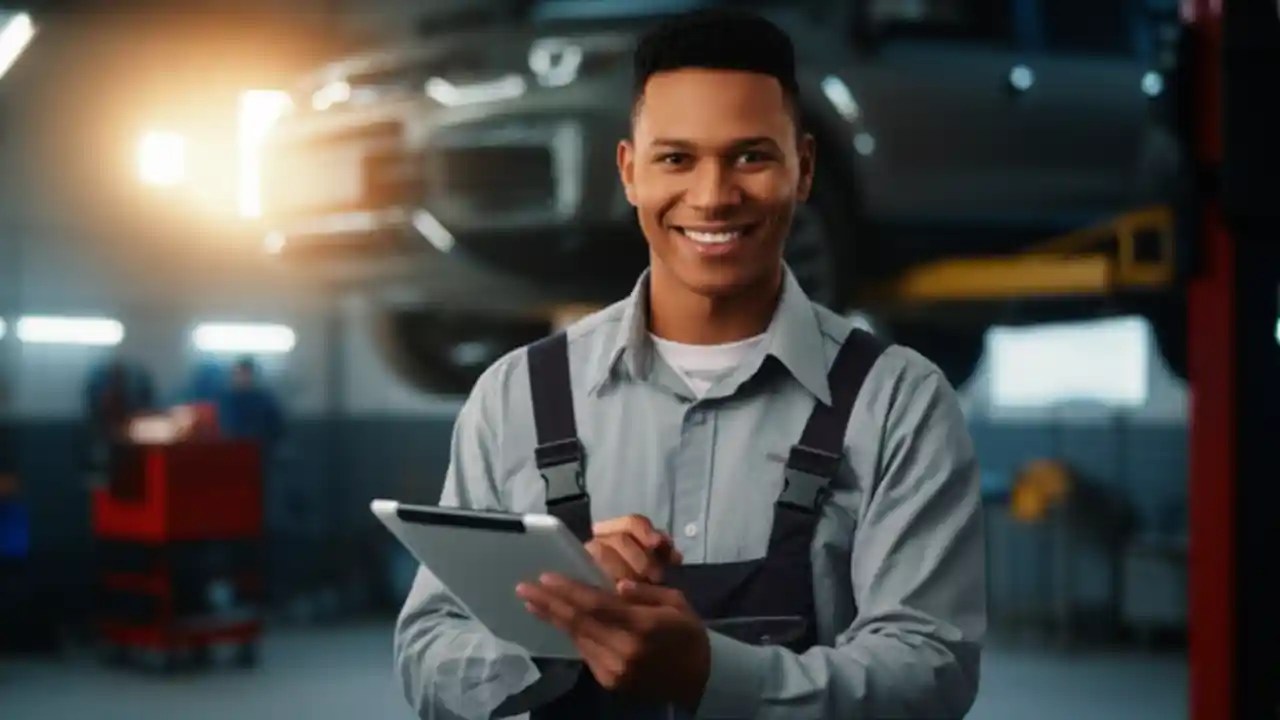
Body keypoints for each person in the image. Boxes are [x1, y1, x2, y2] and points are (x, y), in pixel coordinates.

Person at [395, 9, 985, 719]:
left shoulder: (898, 402)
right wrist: (563, 618)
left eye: (751, 157)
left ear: (803, 170)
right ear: (629, 172)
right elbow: (428, 653)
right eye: (676, 158)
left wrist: (710, 671)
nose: (712, 196)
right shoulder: (517, 396)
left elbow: (928, 670)